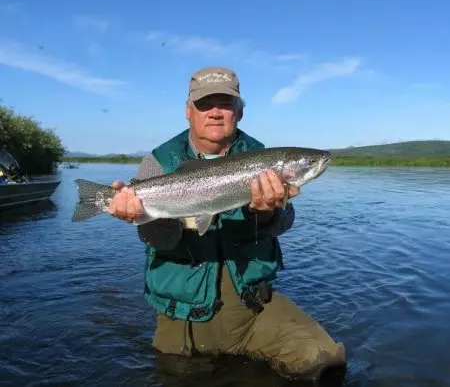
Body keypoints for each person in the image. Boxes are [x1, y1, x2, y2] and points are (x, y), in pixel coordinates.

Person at [108, 67, 346, 383]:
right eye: (206, 104)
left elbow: (285, 222)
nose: (216, 112)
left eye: (226, 103)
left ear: (240, 112)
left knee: (327, 363)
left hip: (251, 307)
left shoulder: (262, 157)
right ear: (188, 111)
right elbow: (157, 241)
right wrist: (139, 216)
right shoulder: (158, 162)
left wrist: (265, 213)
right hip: (184, 313)